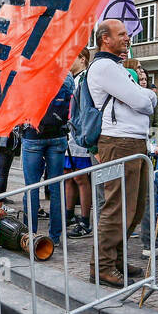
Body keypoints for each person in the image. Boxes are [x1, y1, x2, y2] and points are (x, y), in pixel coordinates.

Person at [86, 19, 157, 286]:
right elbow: (144, 101)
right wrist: (147, 94)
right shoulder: (104, 66)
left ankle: (115, 258)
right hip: (118, 142)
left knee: (134, 208)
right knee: (117, 206)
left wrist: (145, 95)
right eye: (122, 34)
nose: (127, 37)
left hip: (131, 141)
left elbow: (145, 100)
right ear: (105, 39)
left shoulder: (116, 67)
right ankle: (102, 266)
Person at [21, 69, 75, 245]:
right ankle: (55, 237)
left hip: (32, 136)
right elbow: (72, 107)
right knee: (56, 188)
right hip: (58, 136)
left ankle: (31, 234)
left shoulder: (27, 72)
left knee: (32, 187)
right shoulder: (65, 75)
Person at [63, 53, 94, 239]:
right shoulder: (70, 78)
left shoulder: (86, 78)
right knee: (68, 176)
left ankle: (85, 219)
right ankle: (68, 214)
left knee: (81, 177)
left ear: (82, 58)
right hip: (68, 133)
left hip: (80, 133)